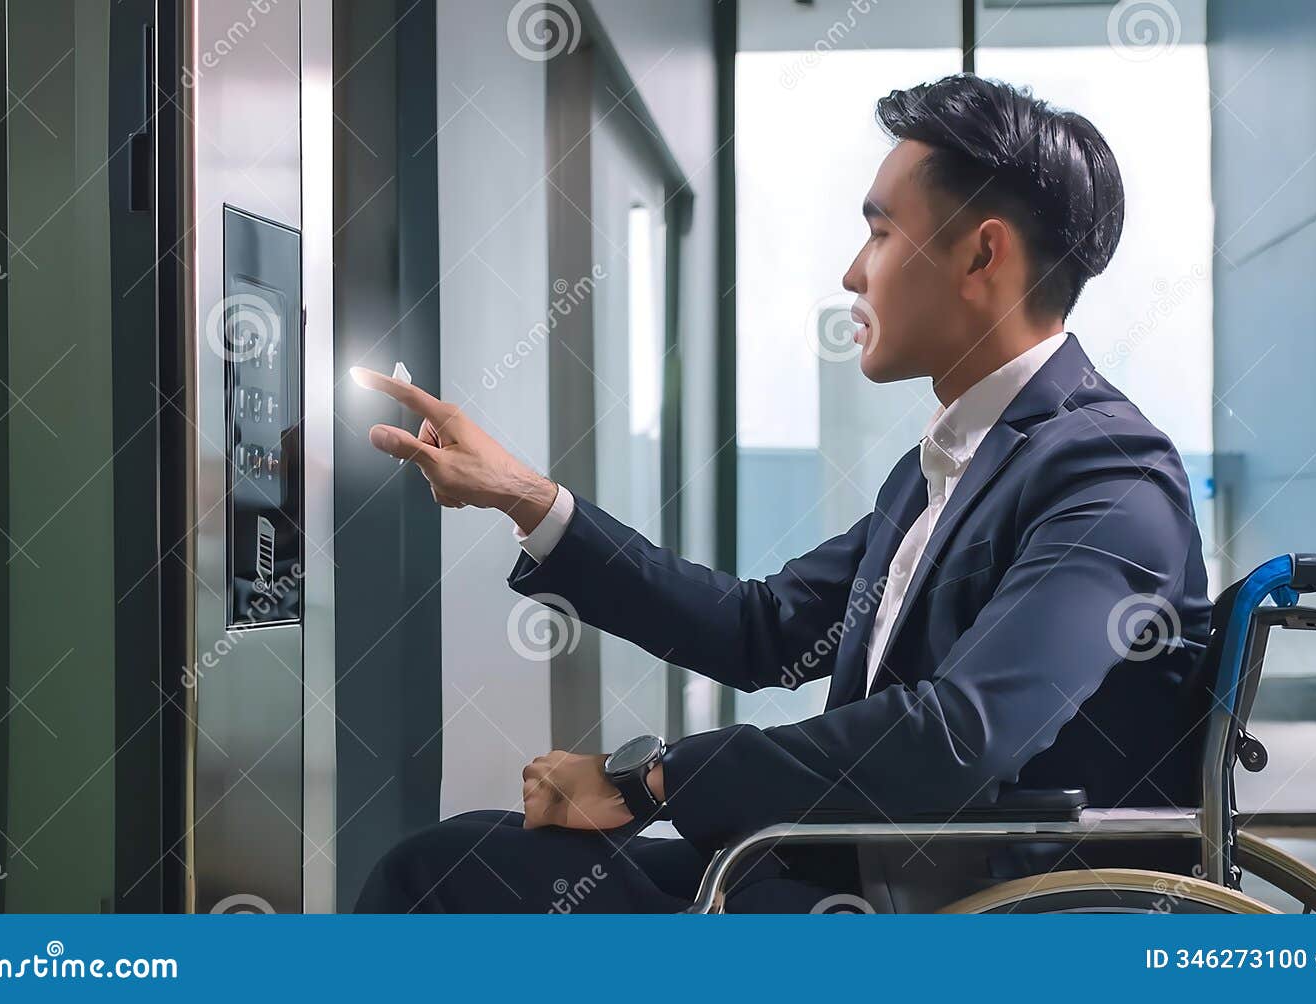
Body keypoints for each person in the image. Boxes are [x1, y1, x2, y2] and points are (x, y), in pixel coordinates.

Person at [350, 73, 1212, 914]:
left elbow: (961, 733)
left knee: (444, 879)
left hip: (948, 915)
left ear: (982, 255)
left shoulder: (1111, 477)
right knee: (456, 856)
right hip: (825, 872)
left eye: (879, 233)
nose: (851, 274)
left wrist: (649, 780)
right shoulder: (946, 465)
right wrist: (524, 497)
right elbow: (762, 630)